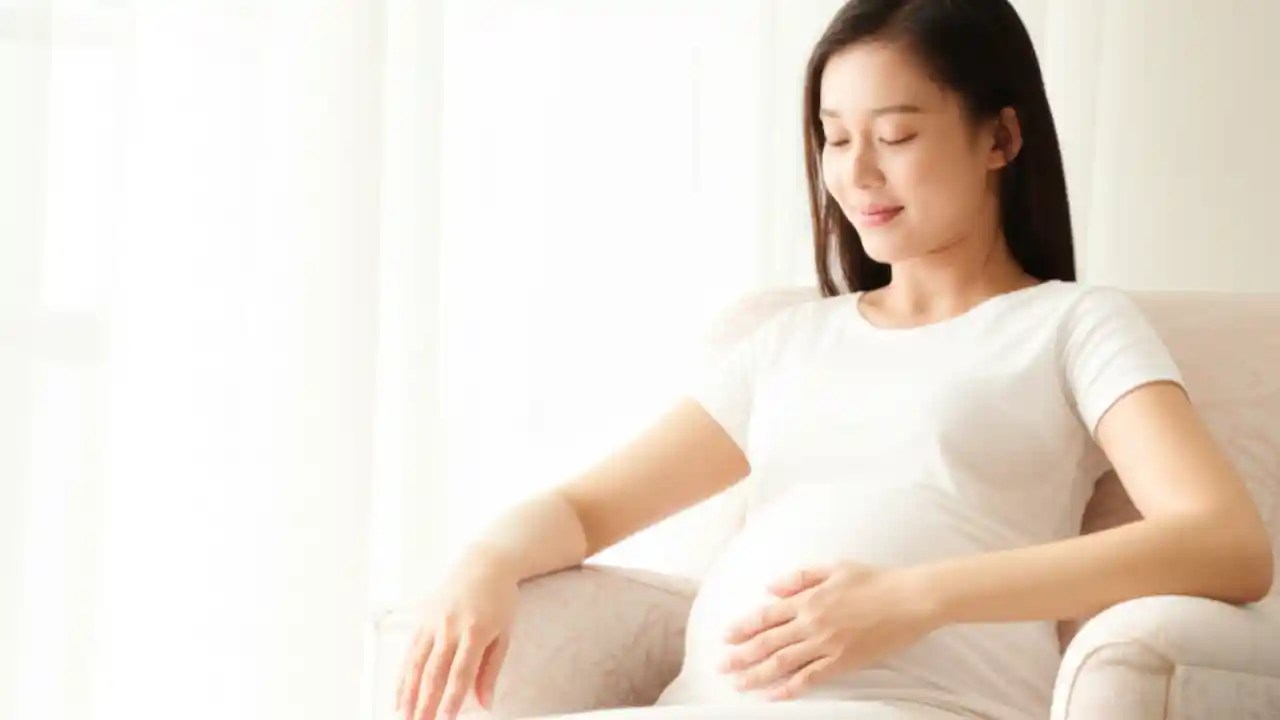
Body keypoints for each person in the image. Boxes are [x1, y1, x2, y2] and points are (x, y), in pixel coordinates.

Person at [395, 1, 1274, 718]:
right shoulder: (790, 341)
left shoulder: (1071, 326)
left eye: (894, 136)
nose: (855, 174)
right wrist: (484, 562)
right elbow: (585, 511)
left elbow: (1224, 543)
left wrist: (912, 598)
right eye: (833, 136)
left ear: (1001, 140)